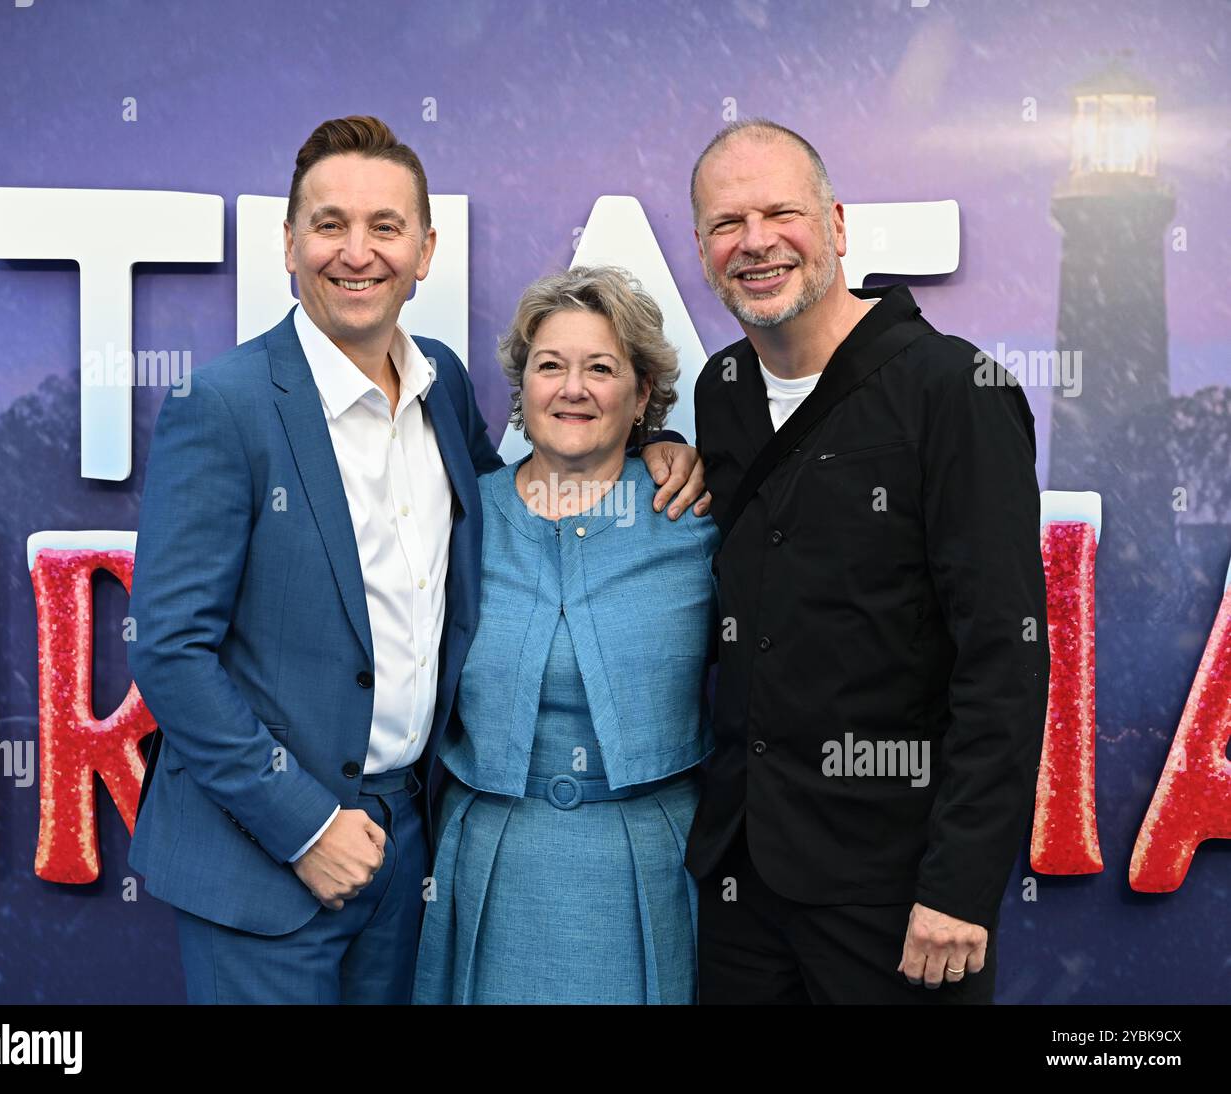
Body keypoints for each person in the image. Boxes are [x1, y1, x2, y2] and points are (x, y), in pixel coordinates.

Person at [126, 116, 707, 1005]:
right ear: (288, 242)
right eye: (329, 225)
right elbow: (169, 653)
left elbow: (546, 471)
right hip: (264, 851)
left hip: (405, 846)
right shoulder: (225, 405)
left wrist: (656, 444)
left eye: (386, 228)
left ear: (426, 249)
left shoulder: (438, 386)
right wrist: (306, 826)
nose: (357, 252)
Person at [685, 118, 1050, 1004]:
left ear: (839, 226)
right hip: (742, 884)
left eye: (781, 212)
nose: (756, 241)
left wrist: (960, 888)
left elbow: (1005, 654)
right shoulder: (721, 392)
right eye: (727, 223)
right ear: (701, 249)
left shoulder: (954, 390)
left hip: (898, 899)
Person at [411, 266, 720, 1004]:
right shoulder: (458, 515)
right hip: (491, 861)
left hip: (649, 869)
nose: (572, 388)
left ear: (642, 394)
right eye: (550, 366)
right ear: (522, 389)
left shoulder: (697, 513)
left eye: (601, 368)